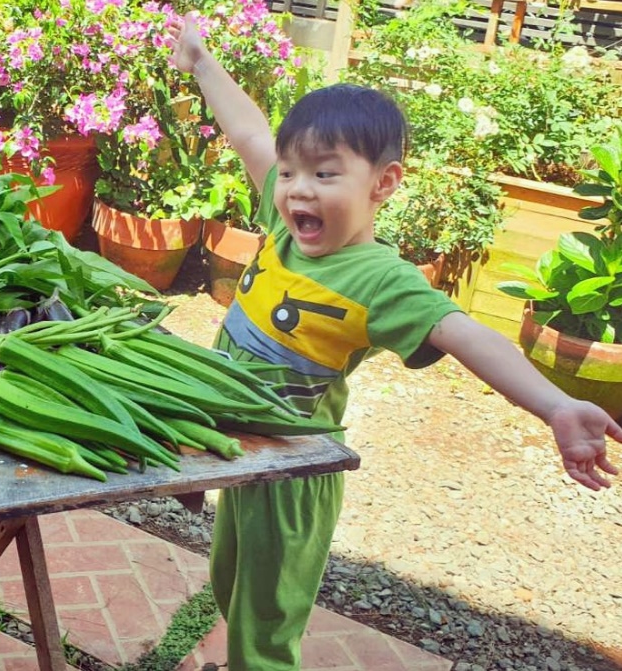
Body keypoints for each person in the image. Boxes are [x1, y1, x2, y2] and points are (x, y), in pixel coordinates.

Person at [169, 13, 622, 671]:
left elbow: (466, 334)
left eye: (325, 174)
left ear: (382, 184)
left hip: (292, 469)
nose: (298, 187)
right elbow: (247, 131)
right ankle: (228, 643)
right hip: (240, 448)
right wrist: (202, 61)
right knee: (231, 573)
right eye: (292, 172)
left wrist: (554, 406)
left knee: (267, 617)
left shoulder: (380, 279)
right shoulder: (282, 219)